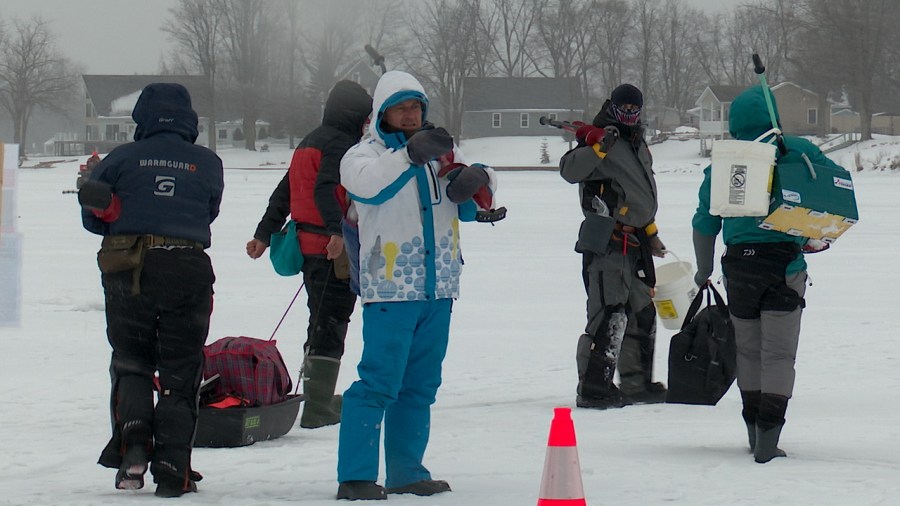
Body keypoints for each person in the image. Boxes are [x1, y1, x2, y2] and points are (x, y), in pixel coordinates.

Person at [335, 70, 498, 501]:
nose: (410, 115)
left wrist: (480, 180)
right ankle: (355, 476)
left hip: (439, 287)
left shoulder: (442, 152)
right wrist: (408, 155)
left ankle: (407, 471)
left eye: (417, 107)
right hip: (391, 289)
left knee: (420, 386)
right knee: (378, 383)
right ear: (382, 112)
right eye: (401, 107)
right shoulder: (361, 155)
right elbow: (367, 189)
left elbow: (475, 192)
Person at [79, 83, 223, 497]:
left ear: (141, 117)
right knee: (181, 371)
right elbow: (209, 209)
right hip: (189, 267)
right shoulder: (209, 162)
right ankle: (174, 469)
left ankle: (134, 446)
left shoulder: (120, 158)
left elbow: (95, 219)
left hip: (129, 271)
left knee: (132, 362)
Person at [692, 85, 838, 463]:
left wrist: (704, 269)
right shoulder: (796, 151)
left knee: (749, 353)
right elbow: (835, 185)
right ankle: (768, 442)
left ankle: (754, 432)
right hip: (783, 265)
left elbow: (705, 221)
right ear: (772, 116)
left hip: (738, 267)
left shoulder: (722, 165)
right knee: (777, 355)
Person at [246, 80, 372, 429]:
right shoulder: (341, 144)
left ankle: (318, 397)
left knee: (320, 320)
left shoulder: (310, 140)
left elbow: (283, 192)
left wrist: (263, 234)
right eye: (364, 116)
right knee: (331, 322)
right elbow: (326, 189)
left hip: (307, 248)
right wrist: (336, 231)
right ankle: (318, 408)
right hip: (330, 249)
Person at [560, 83, 666, 410]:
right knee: (609, 314)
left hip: (636, 242)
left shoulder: (636, 142)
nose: (631, 114)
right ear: (614, 106)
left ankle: (636, 384)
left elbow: (635, 192)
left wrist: (650, 232)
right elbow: (569, 169)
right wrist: (597, 148)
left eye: (636, 109)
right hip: (607, 242)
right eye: (626, 108)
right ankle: (594, 387)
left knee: (641, 312)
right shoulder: (600, 139)